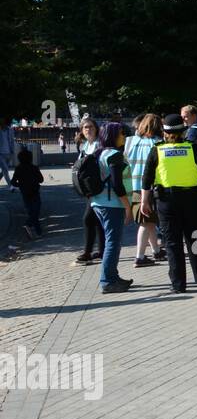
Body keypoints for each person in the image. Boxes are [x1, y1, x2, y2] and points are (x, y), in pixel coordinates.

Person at [141, 114, 197, 293]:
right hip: (191, 199)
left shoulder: (157, 150)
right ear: (183, 131)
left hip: (166, 201)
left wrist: (145, 201)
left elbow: (147, 178)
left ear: (165, 132)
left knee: (173, 243)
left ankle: (178, 284)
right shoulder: (193, 148)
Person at [90, 122, 133, 294]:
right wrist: (128, 207)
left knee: (111, 241)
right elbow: (117, 185)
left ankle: (113, 276)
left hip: (98, 202)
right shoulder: (114, 155)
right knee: (113, 243)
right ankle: (108, 281)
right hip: (112, 204)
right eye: (121, 133)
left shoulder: (99, 152)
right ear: (114, 135)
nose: (124, 136)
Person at [124, 113, 164, 267]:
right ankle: (140, 257)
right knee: (145, 223)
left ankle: (156, 251)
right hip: (150, 188)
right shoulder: (158, 143)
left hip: (134, 187)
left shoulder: (129, 142)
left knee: (148, 222)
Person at [73, 117, 106, 265]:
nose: (88, 130)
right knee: (97, 220)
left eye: (90, 127)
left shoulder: (100, 144)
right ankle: (101, 250)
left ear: (96, 128)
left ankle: (87, 252)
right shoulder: (85, 145)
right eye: (85, 127)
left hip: (98, 187)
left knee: (88, 218)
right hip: (89, 188)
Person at [13, 148, 43, 238]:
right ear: (30, 158)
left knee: (31, 211)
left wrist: (21, 185)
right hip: (34, 191)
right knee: (36, 211)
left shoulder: (18, 168)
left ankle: (38, 232)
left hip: (25, 193)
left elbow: (13, 182)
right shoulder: (34, 168)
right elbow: (41, 180)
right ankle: (30, 225)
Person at [0, 119, 15, 188]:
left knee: (4, 170)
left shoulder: (10, 130)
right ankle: (10, 186)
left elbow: (12, 140)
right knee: (5, 169)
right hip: (1, 153)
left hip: (9, 152)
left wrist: (12, 151)